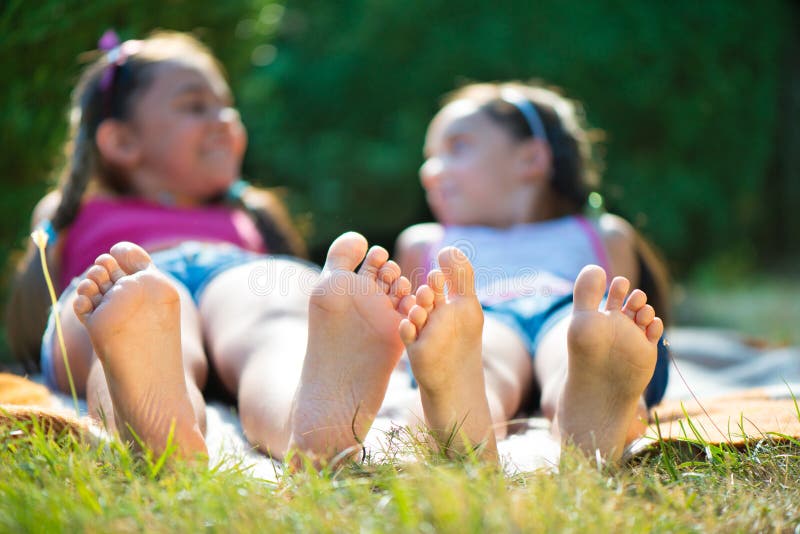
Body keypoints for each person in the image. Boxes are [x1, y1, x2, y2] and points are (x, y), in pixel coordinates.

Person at [5, 30, 419, 463]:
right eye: (195, 106)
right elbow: (45, 289)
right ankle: (153, 415)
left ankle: (309, 423)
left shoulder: (251, 211)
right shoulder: (77, 209)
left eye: (226, 106)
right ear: (122, 142)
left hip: (235, 277)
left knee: (273, 323)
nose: (224, 119)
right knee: (126, 309)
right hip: (127, 279)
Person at [391, 82, 671, 462]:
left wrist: (610, 338)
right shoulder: (423, 243)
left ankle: (596, 396)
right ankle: (461, 403)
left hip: (570, 311)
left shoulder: (603, 234)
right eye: (429, 157)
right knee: (478, 351)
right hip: (482, 317)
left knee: (586, 340)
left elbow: (621, 312)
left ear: (531, 159)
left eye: (456, 147)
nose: (429, 172)